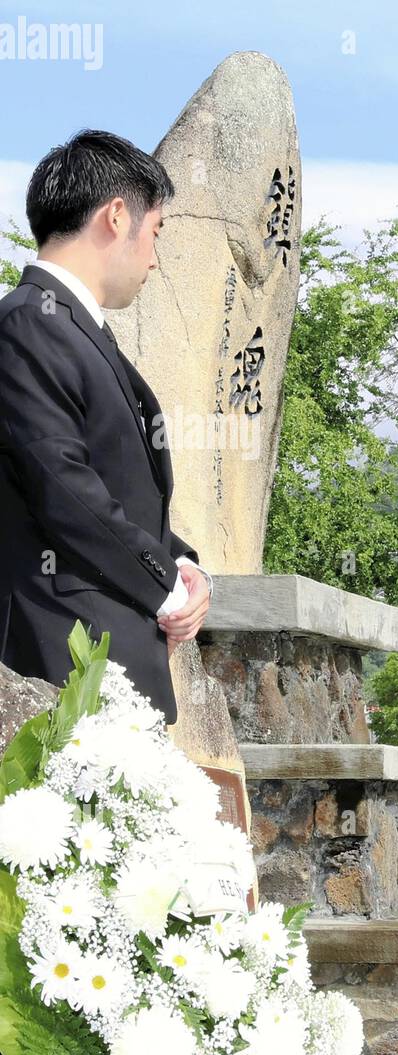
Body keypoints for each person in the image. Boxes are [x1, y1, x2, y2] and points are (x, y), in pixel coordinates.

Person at [0, 131, 211, 723]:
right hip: (61, 658)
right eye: (157, 231)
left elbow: (114, 489)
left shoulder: (78, 331)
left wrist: (186, 565)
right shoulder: (28, 324)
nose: (154, 256)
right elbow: (64, 487)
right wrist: (166, 585)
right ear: (117, 216)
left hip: (106, 655)